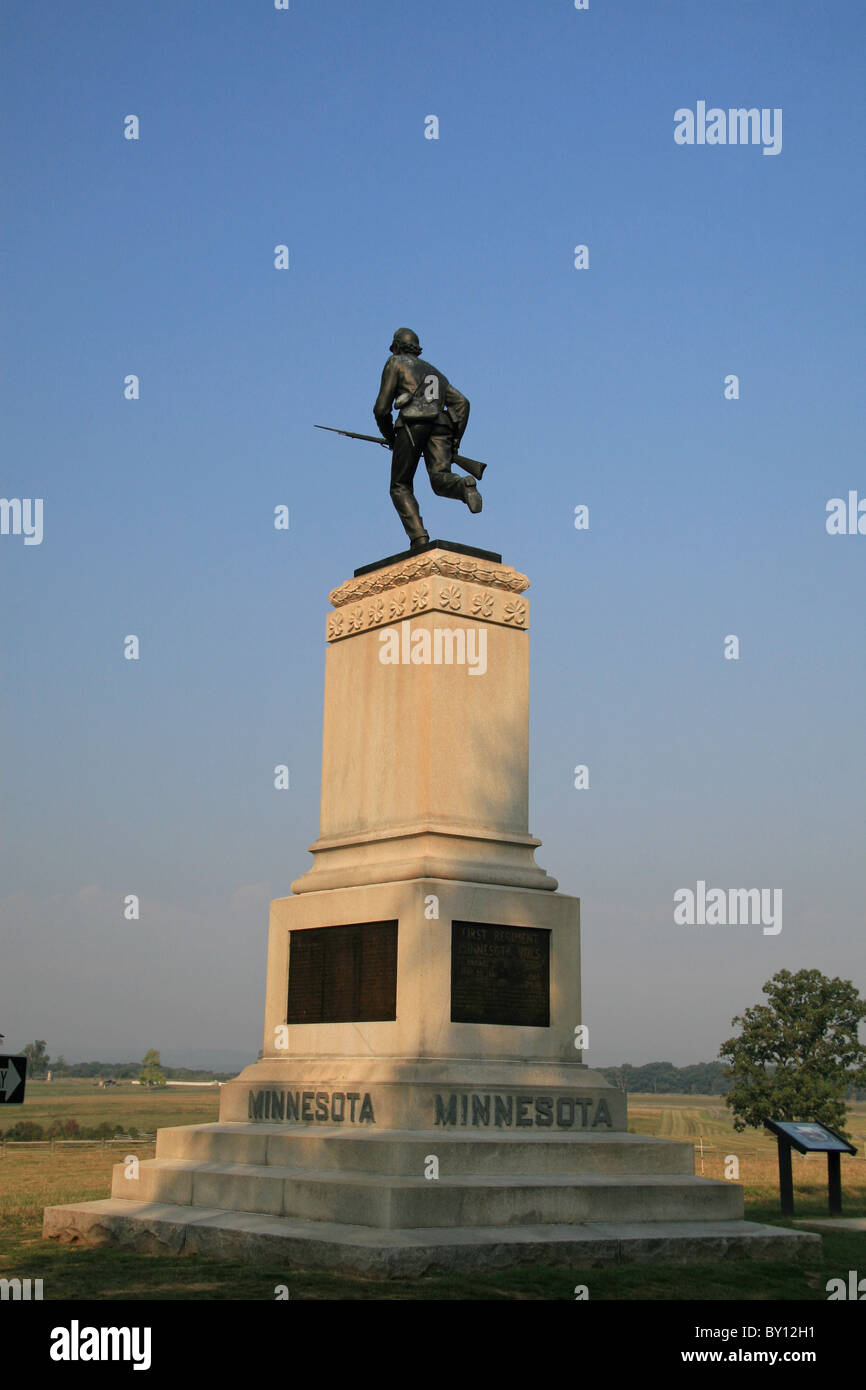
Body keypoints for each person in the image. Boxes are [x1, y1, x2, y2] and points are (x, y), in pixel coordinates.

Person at [373, 327, 480, 550]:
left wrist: (390, 436)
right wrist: (454, 440)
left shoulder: (395, 363)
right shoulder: (435, 373)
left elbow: (381, 409)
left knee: (400, 485)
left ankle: (419, 538)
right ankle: (462, 486)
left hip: (413, 424)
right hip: (441, 425)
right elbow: (462, 403)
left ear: (397, 347)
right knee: (440, 479)